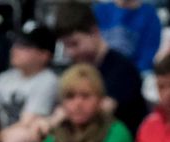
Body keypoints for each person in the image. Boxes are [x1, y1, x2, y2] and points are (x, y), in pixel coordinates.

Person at [55, 2, 148, 134]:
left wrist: (60, 116)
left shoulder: (123, 70)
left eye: (74, 44)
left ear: (95, 32)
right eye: (65, 46)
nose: (70, 52)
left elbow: (96, 114)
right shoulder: (75, 69)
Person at [0, 22, 59, 142]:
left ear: (44, 55)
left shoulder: (48, 80)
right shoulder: (5, 77)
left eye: (25, 46)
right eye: (16, 44)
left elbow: (27, 123)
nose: (15, 49)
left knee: (18, 136)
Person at [94, 0, 163, 72]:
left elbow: (147, 56)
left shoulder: (149, 16)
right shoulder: (99, 11)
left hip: (133, 73)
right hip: (99, 72)